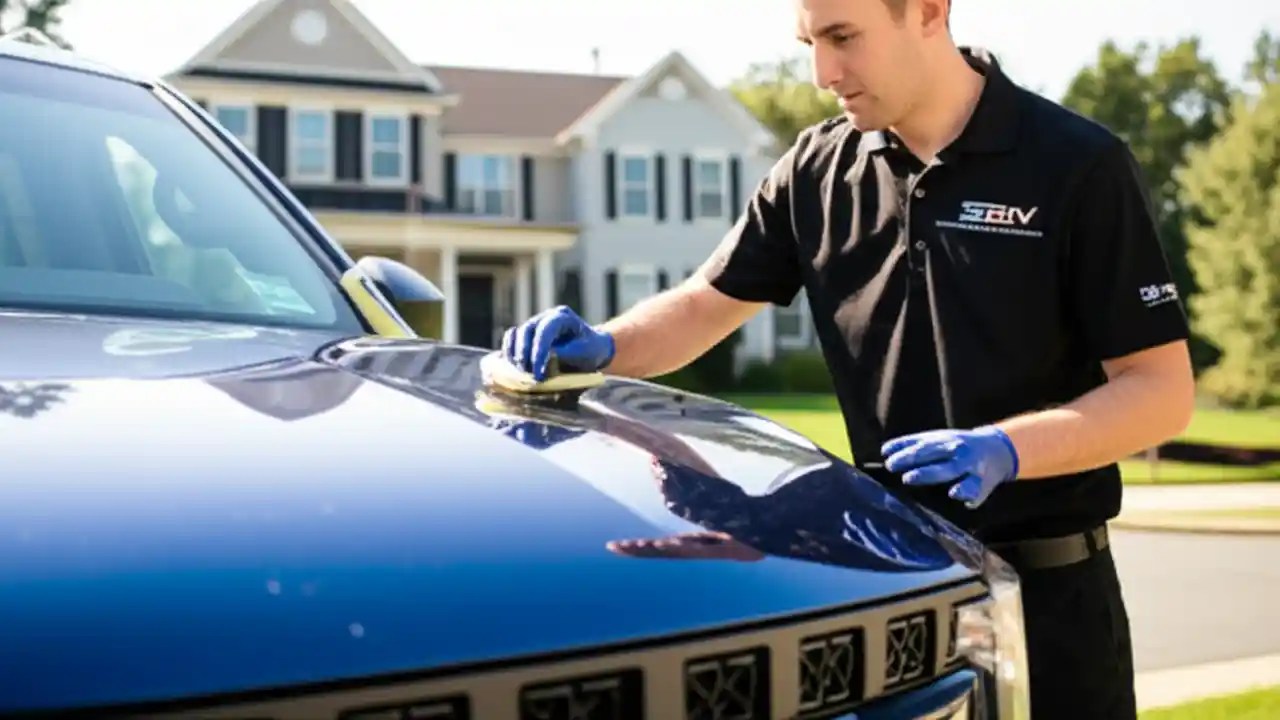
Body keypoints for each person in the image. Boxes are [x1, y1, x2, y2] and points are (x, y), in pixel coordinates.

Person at [500, 0, 1196, 716]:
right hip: (883, 601)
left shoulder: (1077, 164)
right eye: (809, 41)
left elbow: (1159, 392)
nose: (822, 73)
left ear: (929, 10)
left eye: (843, 38)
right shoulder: (815, 170)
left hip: (1051, 605)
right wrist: (609, 343)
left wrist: (1006, 449)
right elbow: (704, 304)